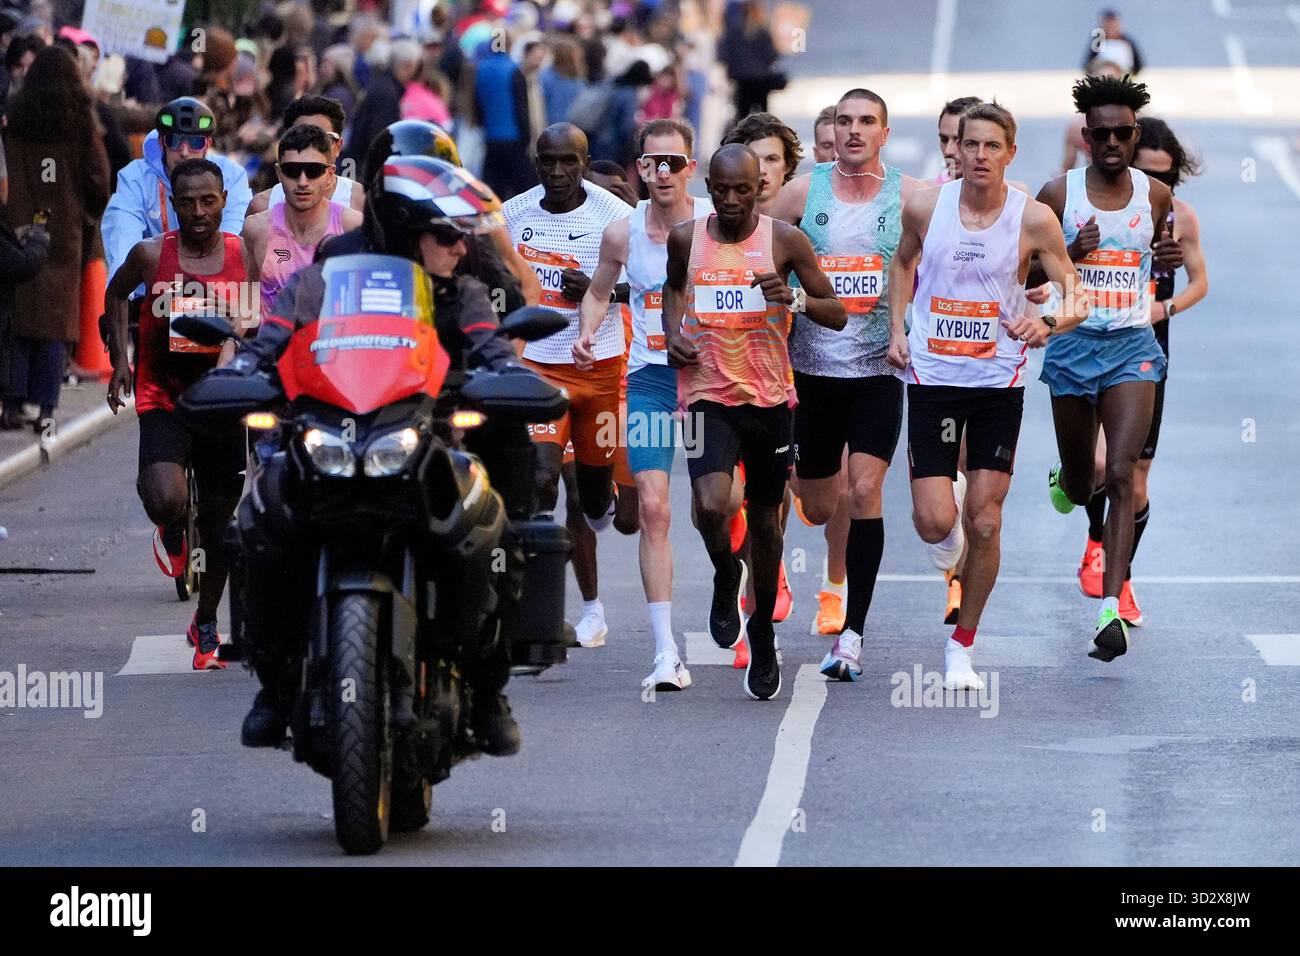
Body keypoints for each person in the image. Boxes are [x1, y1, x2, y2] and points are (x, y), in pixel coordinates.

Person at [230, 155, 528, 755]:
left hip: (425, 441)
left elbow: (493, 349)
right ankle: (273, 682)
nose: (460, 245)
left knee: (494, 533)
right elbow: (271, 339)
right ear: (405, 231)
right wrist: (242, 371)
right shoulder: (321, 279)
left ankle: (489, 687)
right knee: (256, 522)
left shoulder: (463, 291)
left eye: (461, 233)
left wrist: (509, 376)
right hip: (331, 434)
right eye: (445, 234)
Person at [887, 101, 1088, 691]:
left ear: (1010, 153)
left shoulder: (1033, 220)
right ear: (957, 149)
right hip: (932, 379)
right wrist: (897, 328)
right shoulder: (927, 206)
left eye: (991, 147)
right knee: (933, 520)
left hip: (997, 382)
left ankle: (962, 646)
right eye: (970, 145)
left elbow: (1077, 298)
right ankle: (949, 552)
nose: (979, 156)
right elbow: (903, 266)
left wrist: (1047, 325)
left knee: (985, 518)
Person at [663, 142, 845, 701]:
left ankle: (761, 632)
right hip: (707, 395)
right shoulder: (687, 239)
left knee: (767, 524)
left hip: (769, 400)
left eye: (745, 189)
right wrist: (673, 334)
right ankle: (724, 572)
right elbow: (674, 288)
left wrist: (792, 298)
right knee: (713, 504)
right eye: (723, 190)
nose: (734, 199)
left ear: (760, 189)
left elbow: (835, 313)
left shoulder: (784, 241)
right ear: (710, 189)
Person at [769, 89, 923, 680]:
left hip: (879, 371)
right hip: (809, 373)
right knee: (817, 503)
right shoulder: (803, 193)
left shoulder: (909, 198)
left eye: (866, 122)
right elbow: (756, 251)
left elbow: (956, 255)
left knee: (865, 492)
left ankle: (853, 634)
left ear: (884, 133)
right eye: (844, 121)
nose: (854, 131)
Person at [1033, 76, 1182, 658]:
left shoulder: (1156, 198)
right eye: (1103, 134)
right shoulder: (1057, 195)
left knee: (1121, 473)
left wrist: (1165, 260)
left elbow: (1159, 260)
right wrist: (1072, 256)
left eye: (1124, 132)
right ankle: (1067, 481)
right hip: (1071, 347)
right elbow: (1025, 279)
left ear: (1135, 133)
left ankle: (1108, 608)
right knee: (1082, 479)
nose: (1114, 141)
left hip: (1131, 348)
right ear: (1087, 137)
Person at [573, 118, 712, 690]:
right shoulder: (621, 233)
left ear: (691, 168)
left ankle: (734, 583)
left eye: (674, 162)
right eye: (652, 163)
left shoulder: (717, 224)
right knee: (653, 506)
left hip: (713, 380)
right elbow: (600, 290)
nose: (663, 173)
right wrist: (587, 332)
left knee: (718, 507)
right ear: (640, 168)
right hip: (651, 379)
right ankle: (664, 651)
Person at [104, 158, 258, 669]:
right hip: (162, 394)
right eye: (186, 202)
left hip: (223, 404)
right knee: (165, 497)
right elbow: (115, 293)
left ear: (222, 201)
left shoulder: (243, 258)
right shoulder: (151, 256)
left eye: (208, 201)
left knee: (220, 523)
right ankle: (171, 527)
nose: (198, 211)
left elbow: (254, 325)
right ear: (171, 204)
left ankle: (206, 622)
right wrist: (120, 362)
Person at [501, 123, 634, 647]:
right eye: (548, 162)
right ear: (536, 162)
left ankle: (600, 501)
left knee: (594, 499)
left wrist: (605, 289)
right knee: (540, 480)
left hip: (599, 367)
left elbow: (653, 284)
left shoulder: (615, 216)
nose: (557, 173)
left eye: (569, 163)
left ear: (585, 162)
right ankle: (547, 609)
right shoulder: (513, 214)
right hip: (537, 365)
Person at [1075, 117, 1208, 618]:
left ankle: (1119, 575)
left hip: (1147, 353)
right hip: (1090, 347)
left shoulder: (1182, 218)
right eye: (1151, 175)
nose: (1162, 188)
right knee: (1091, 468)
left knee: (1133, 473)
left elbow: (1200, 282)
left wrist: (1163, 308)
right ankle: (1093, 532)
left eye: (1170, 178)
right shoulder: (1099, 211)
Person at [1, 45, 110, 433]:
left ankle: (11, 403)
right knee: (57, 321)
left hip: (17, 223)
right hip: (65, 229)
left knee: (19, 315)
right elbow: (99, 176)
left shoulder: (15, 116)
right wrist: (87, 211)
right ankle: (47, 406)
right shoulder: (80, 119)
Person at [101, 97, 253, 299]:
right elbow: (122, 238)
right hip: (151, 294)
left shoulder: (231, 175)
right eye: (174, 141)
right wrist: (127, 297)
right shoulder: (134, 177)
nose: (184, 152)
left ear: (207, 145)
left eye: (195, 143)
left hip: (213, 293)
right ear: (161, 143)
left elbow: (233, 237)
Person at [242, 124, 362, 318]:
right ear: (279, 173)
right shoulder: (256, 227)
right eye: (292, 170)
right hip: (273, 345)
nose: (303, 182)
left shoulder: (353, 226)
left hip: (329, 342)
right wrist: (231, 343)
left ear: (330, 174)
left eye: (313, 171)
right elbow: (250, 298)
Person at [244, 95, 366, 216]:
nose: (309, 147)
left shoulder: (361, 203)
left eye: (321, 138)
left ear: (338, 146)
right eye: (300, 137)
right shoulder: (263, 206)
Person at [341, 39, 421, 173]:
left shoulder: (383, 85)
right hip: (365, 169)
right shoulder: (387, 93)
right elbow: (379, 136)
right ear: (409, 65)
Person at [473, 35, 534, 200]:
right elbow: (521, 107)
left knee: (494, 189)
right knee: (523, 189)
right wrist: (527, 137)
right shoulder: (513, 69)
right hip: (513, 137)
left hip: (491, 137)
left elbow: (477, 103)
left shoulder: (481, 69)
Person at [721, 110, 802, 217]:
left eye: (771, 159)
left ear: (788, 165)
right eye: (752, 160)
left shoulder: (807, 223)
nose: (761, 170)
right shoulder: (715, 222)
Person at [1083, 8, 1144, 75]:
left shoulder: (1127, 42)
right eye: (1108, 26)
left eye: (1113, 25)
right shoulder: (1098, 41)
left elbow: (1137, 65)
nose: (1111, 29)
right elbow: (1089, 63)